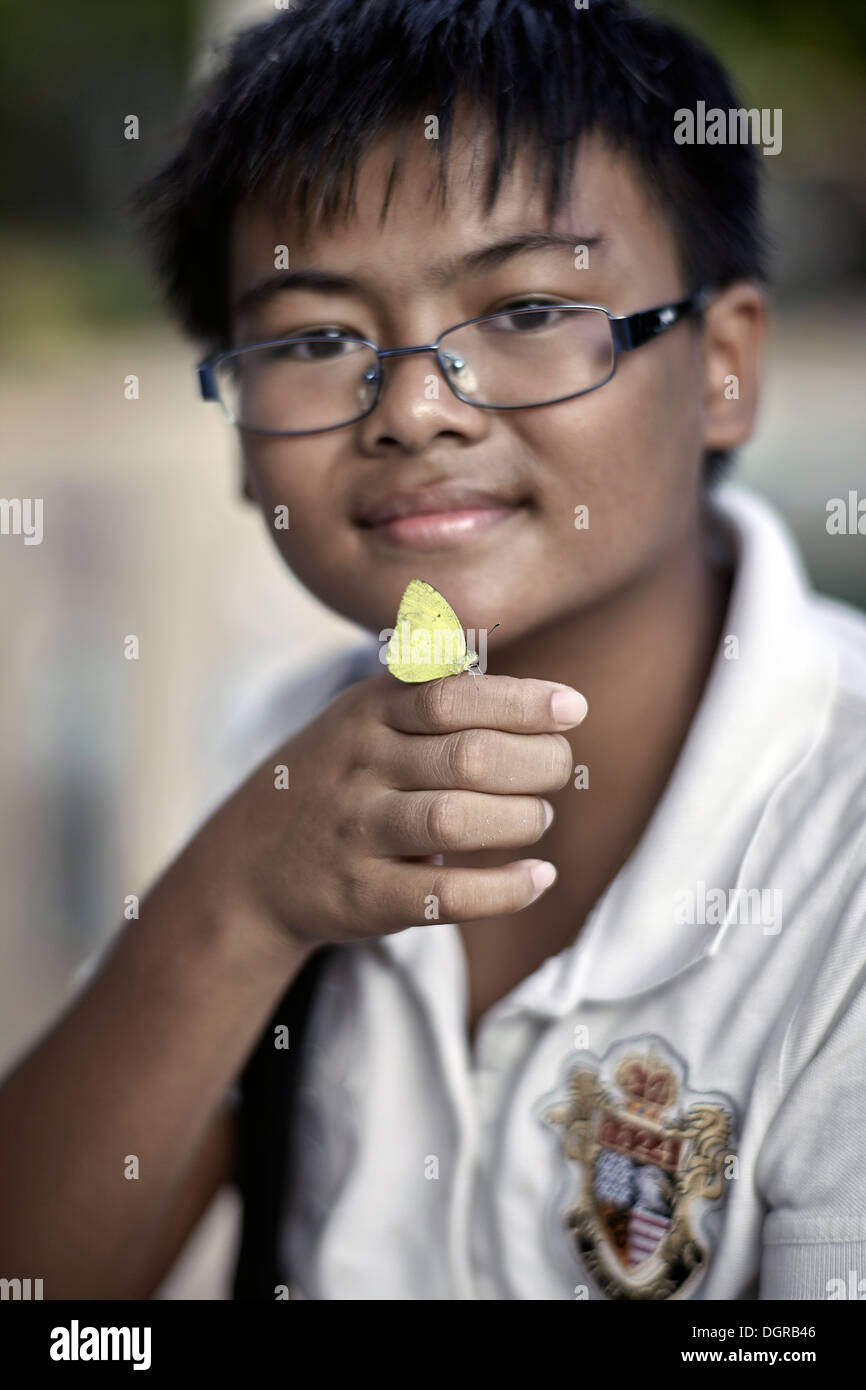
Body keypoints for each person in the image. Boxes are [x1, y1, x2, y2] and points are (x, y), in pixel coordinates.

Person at [1, 0, 865, 1301]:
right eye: (313, 339)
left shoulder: (840, 857)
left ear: (724, 365)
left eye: (526, 307)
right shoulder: (277, 758)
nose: (413, 406)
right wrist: (235, 903)